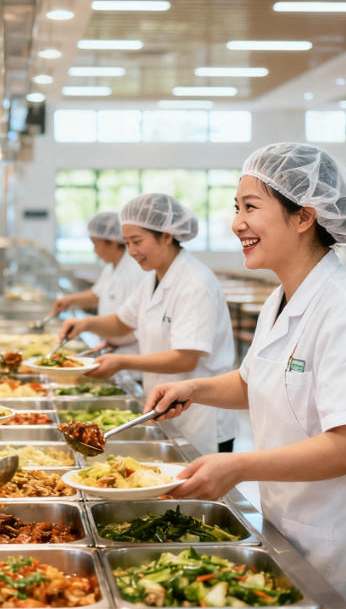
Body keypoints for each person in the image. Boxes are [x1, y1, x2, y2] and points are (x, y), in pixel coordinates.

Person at [146, 143, 346, 609]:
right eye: (237, 208)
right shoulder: (282, 298)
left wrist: (236, 466)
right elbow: (255, 381)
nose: (237, 222)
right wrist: (194, 387)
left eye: (251, 206)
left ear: (304, 217)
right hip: (301, 526)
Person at [59, 193, 235, 455]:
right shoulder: (154, 277)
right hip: (167, 404)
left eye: (137, 241)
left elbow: (186, 359)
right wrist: (85, 324)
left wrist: (122, 361)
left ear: (166, 236)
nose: (131, 252)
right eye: (127, 242)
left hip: (201, 415)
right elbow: (122, 322)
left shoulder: (194, 283)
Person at [51, 211, 147, 355]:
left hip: (129, 352)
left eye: (95, 243)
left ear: (112, 241)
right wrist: (69, 300)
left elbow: (131, 321)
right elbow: (98, 295)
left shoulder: (136, 270)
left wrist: (86, 324)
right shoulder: (111, 267)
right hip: (110, 347)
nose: (94, 250)